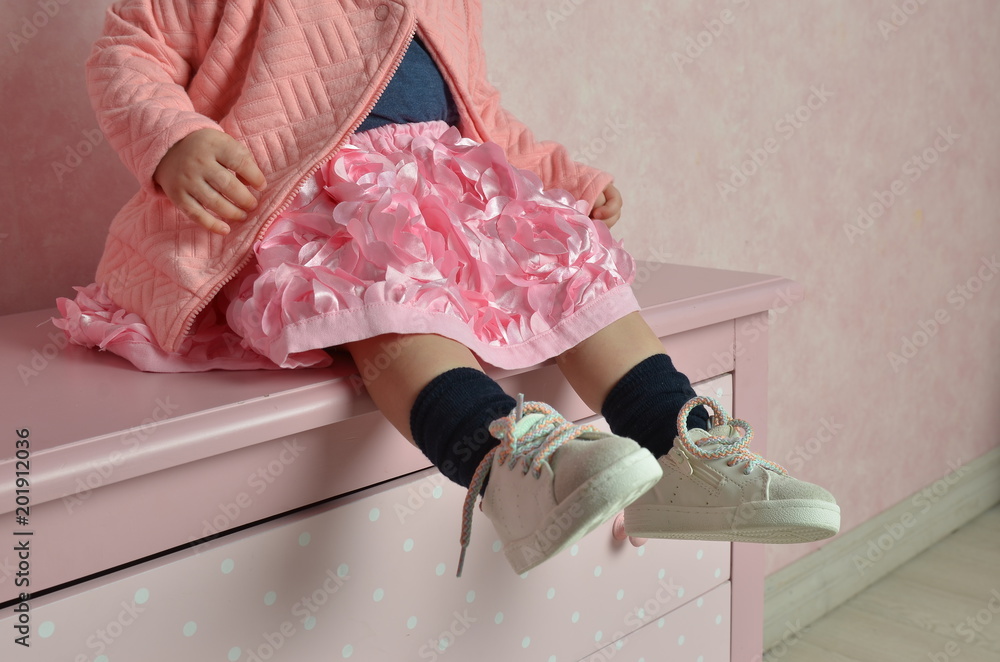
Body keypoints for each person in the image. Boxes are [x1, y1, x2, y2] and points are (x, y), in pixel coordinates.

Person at [56, 0, 839, 577]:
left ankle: (681, 447)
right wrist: (176, 139)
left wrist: (563, 179)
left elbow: (482, 114)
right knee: (385, 287)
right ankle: (502, 460)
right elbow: (127, 56)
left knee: (568, 263)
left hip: (452, 192)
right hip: (316, 195)